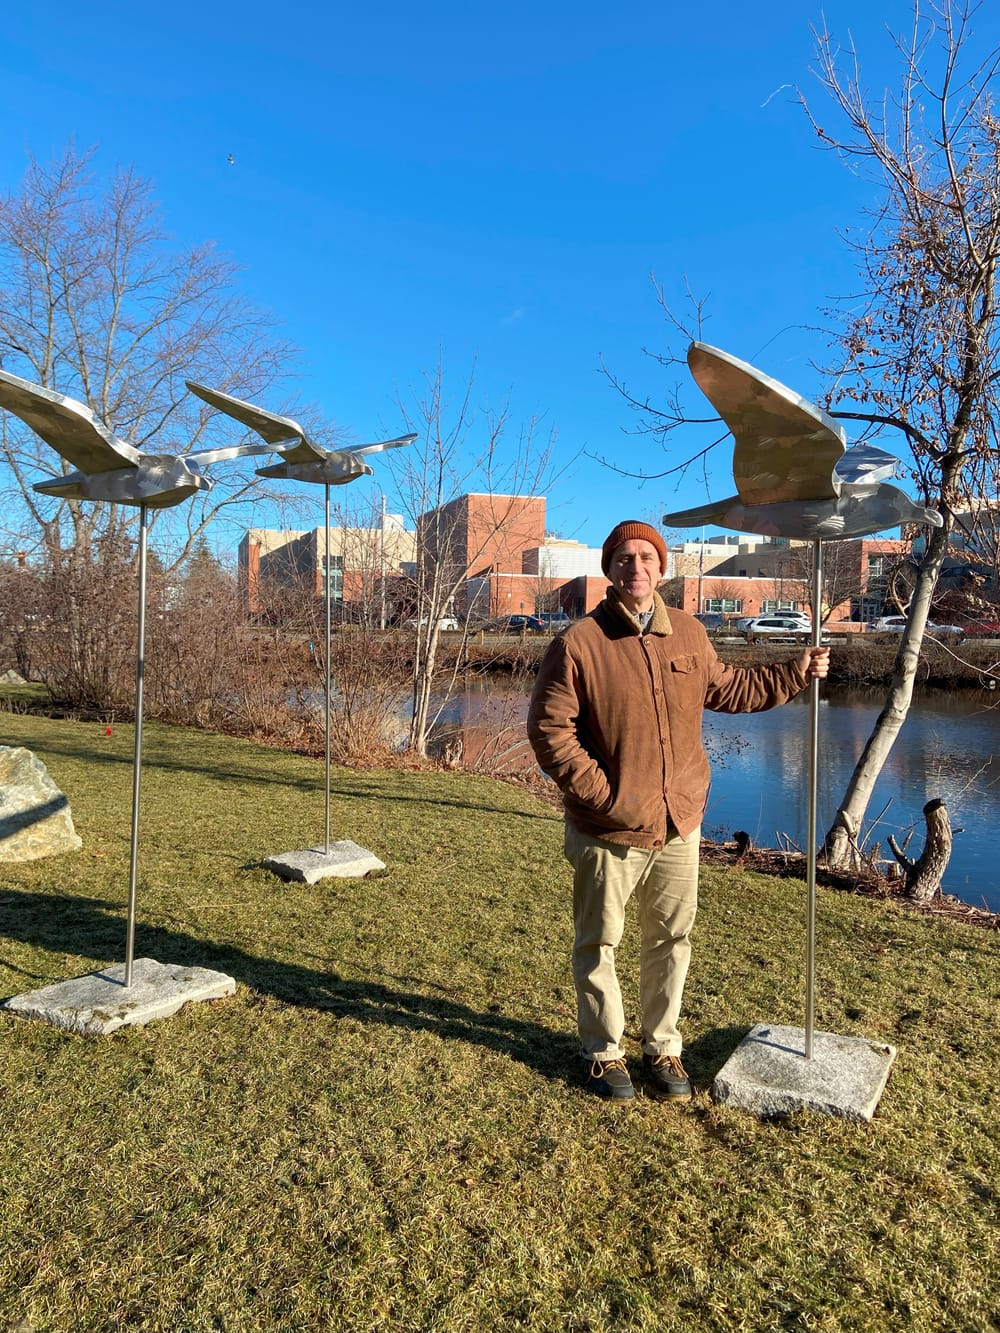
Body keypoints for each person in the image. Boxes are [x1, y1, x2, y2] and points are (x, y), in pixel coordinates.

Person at [527, 520, 829, 1102]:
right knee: (599, 941)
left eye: (646, 557)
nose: (635, 567)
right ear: (608, 568)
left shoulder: (689, 633)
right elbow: (551, 734)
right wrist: (606, 796)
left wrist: (796, 671)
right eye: (623, 558)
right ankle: (602, 1052)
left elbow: (731, 689)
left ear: (662, 570)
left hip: (678, 822)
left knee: (671, 939)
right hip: (608, 828)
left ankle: (663, 1048)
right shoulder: (578, 644)